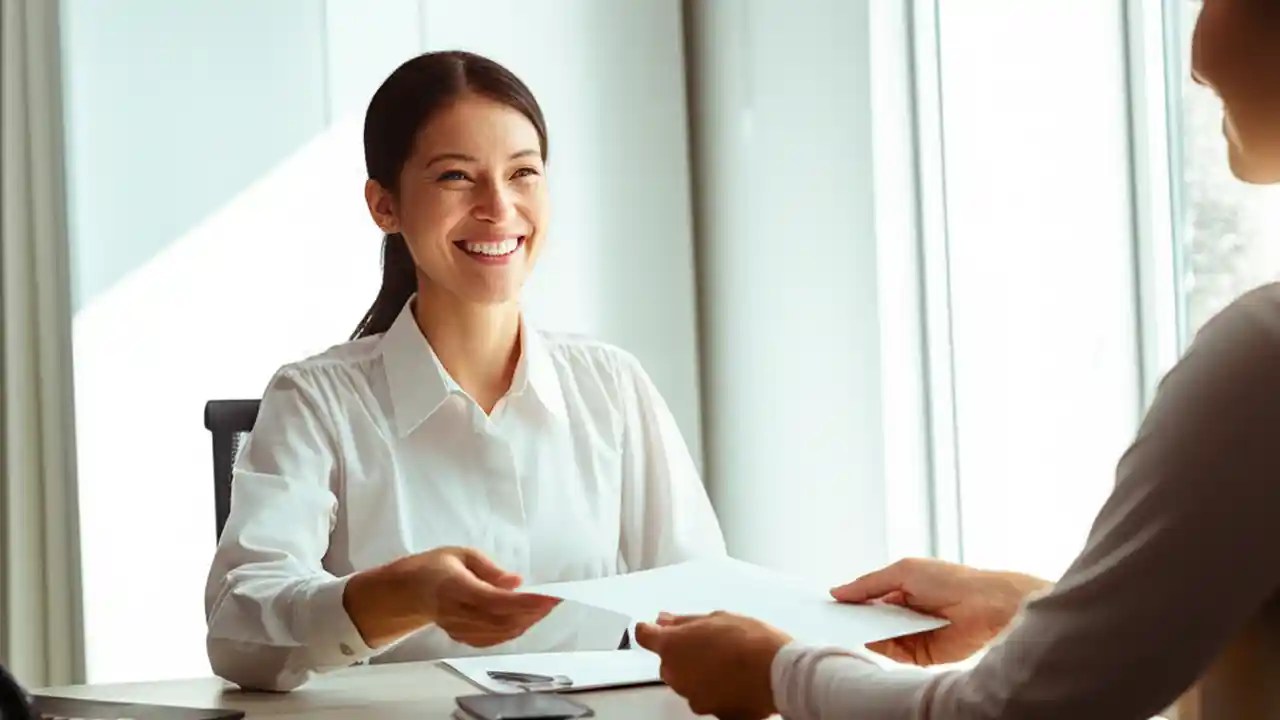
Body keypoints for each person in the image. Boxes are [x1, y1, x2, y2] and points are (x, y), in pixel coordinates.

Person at [635, 0, 1280, 717]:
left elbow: (1011, 713)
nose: (1191, 50)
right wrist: (1028, 604)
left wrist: (781, 674)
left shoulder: (1263, 357)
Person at [204, 50, 725, 692]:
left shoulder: (611, 386)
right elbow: (237, 636)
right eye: (456, 176)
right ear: (384, 206)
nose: (498, 208)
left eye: (523, 173)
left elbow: (704, 599)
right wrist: (399, 596)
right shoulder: (316, 398)